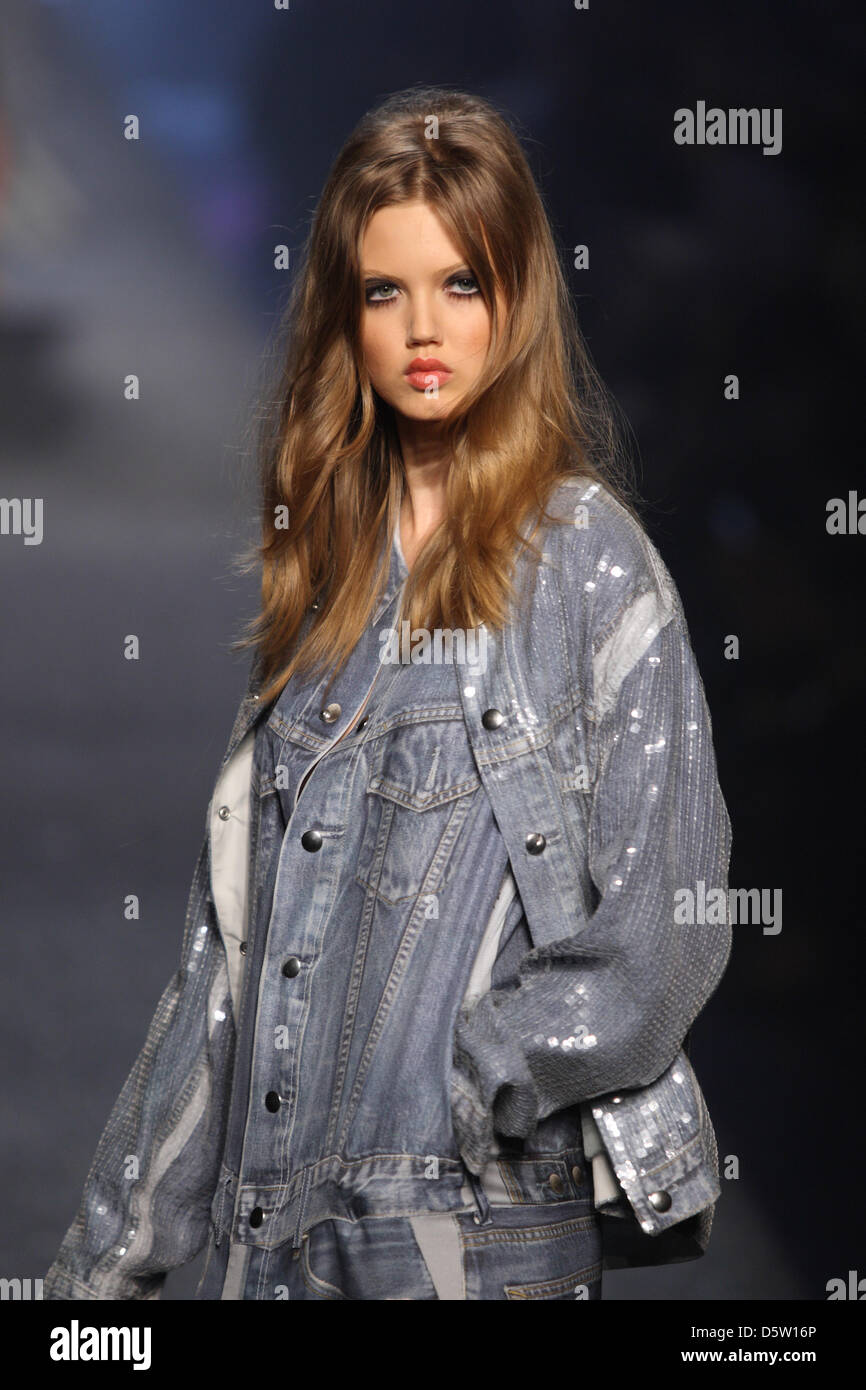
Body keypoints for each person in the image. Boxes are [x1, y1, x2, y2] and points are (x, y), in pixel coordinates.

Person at [43, 86, 732, 1301]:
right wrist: (99, 1284)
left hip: (472, 1244)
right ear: (342, 315)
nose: (424, 326)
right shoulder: (327, 587)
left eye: (459, 283)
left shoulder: (585, 563)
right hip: (284, 1249)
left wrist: (465, 1086)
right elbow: (225, 976)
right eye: (384, 290)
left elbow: (663, 925)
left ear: (513, 298)